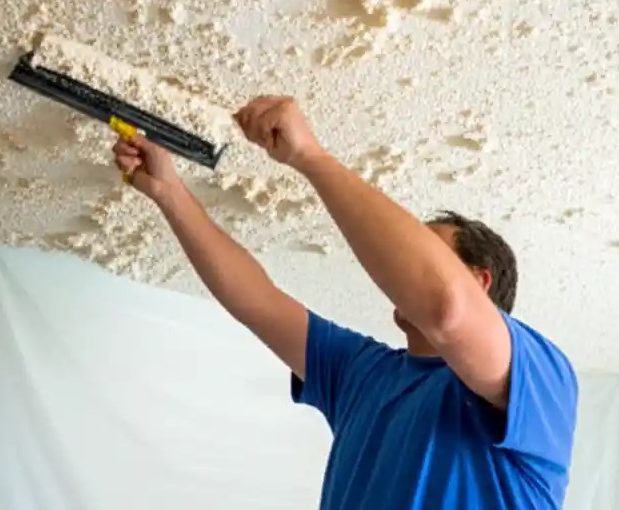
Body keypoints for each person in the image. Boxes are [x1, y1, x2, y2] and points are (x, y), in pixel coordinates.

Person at [111, 95, 578, 509]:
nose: (404, 268)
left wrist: (310, 157)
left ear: (479, 281)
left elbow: (447, 310)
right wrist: (170, 194)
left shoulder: (542, 382)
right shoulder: (365, 374)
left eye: (428, 252)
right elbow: (258, 302)